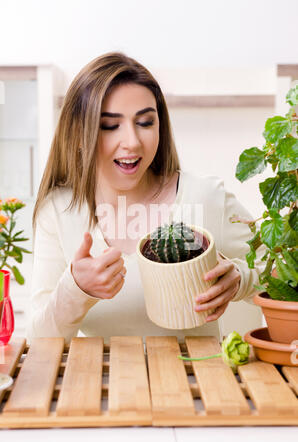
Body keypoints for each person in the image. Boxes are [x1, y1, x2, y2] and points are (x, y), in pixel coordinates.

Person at [27, 52, 263, 345]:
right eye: (110, 125)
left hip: (200, 387)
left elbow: (285, 275)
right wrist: (75, 290)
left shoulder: (206, 198)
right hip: (100, 387)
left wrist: (241, 280)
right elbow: (38, 344)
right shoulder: (59, 211)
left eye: (145, 122)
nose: (133, 142)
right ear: (78, 134)